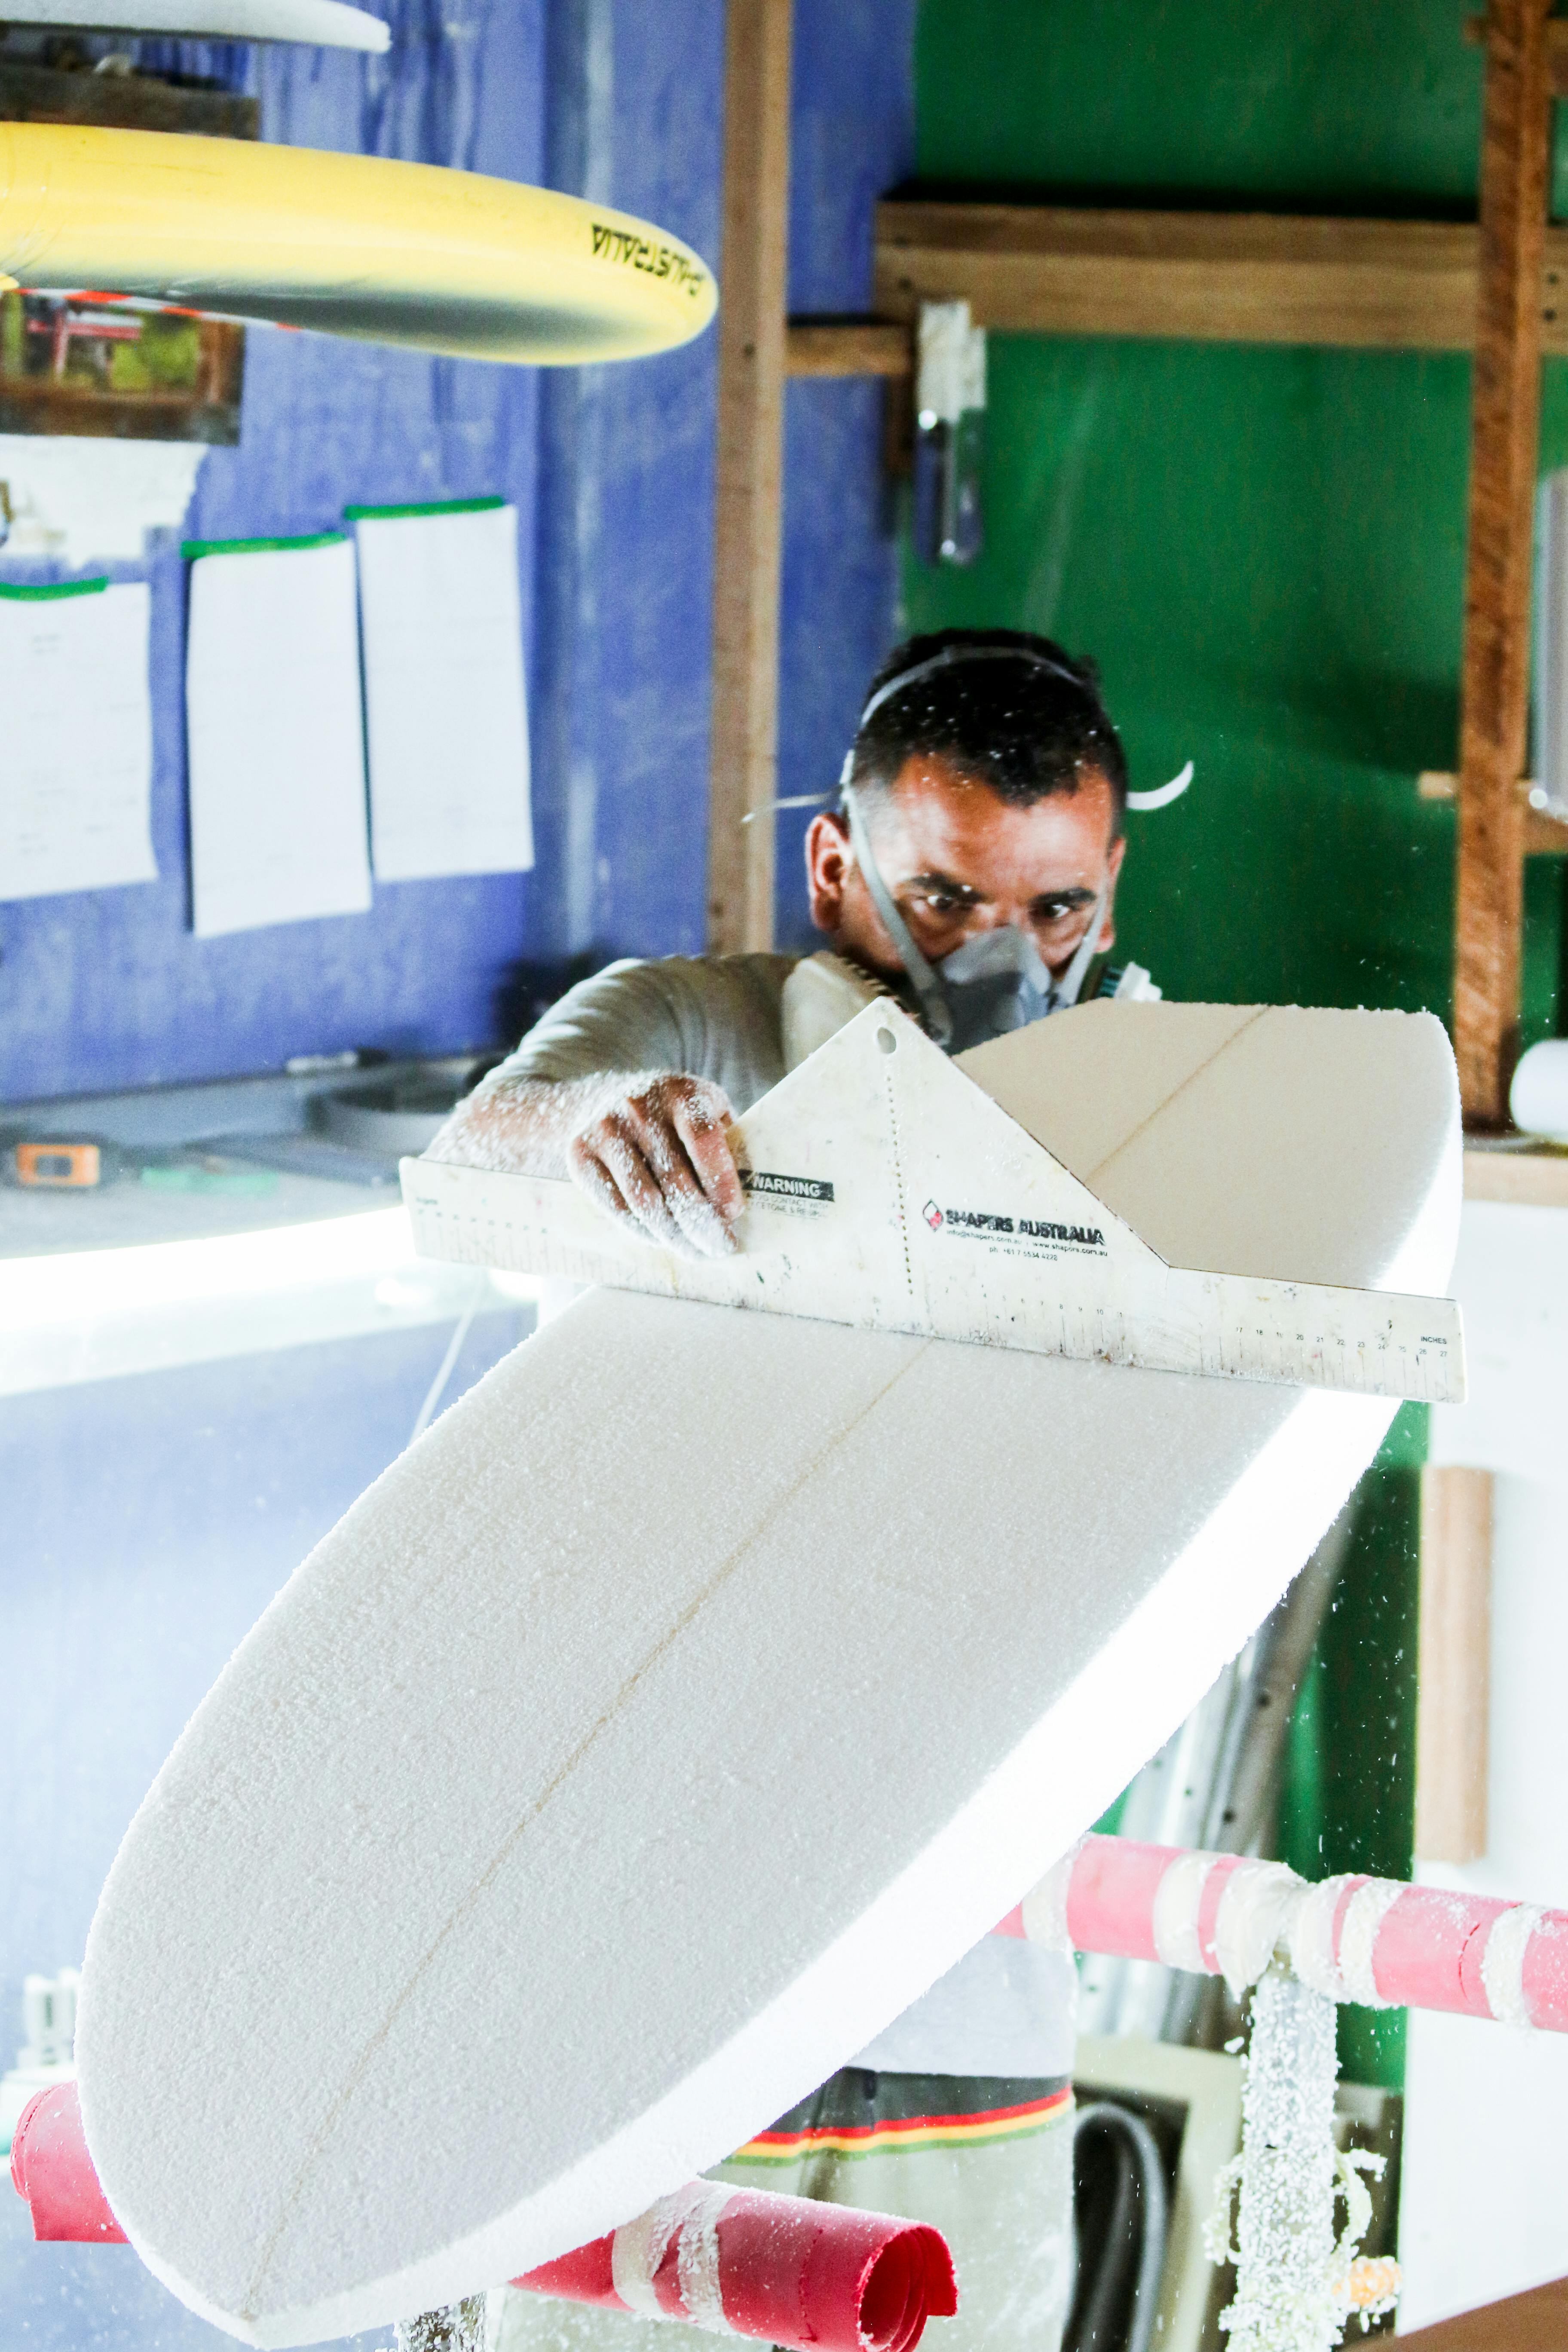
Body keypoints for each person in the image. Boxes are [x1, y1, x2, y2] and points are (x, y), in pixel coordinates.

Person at [431, 627, 1162, 2352]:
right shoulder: (696, 1022)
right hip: (648, 1935)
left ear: (1109, 888)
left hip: (959, 1961)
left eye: (1055, 908)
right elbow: (482, 1149)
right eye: (948, 900)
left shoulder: (1141, 1098)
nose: (1004, 954)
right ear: (837, 867)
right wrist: (603, 1127)